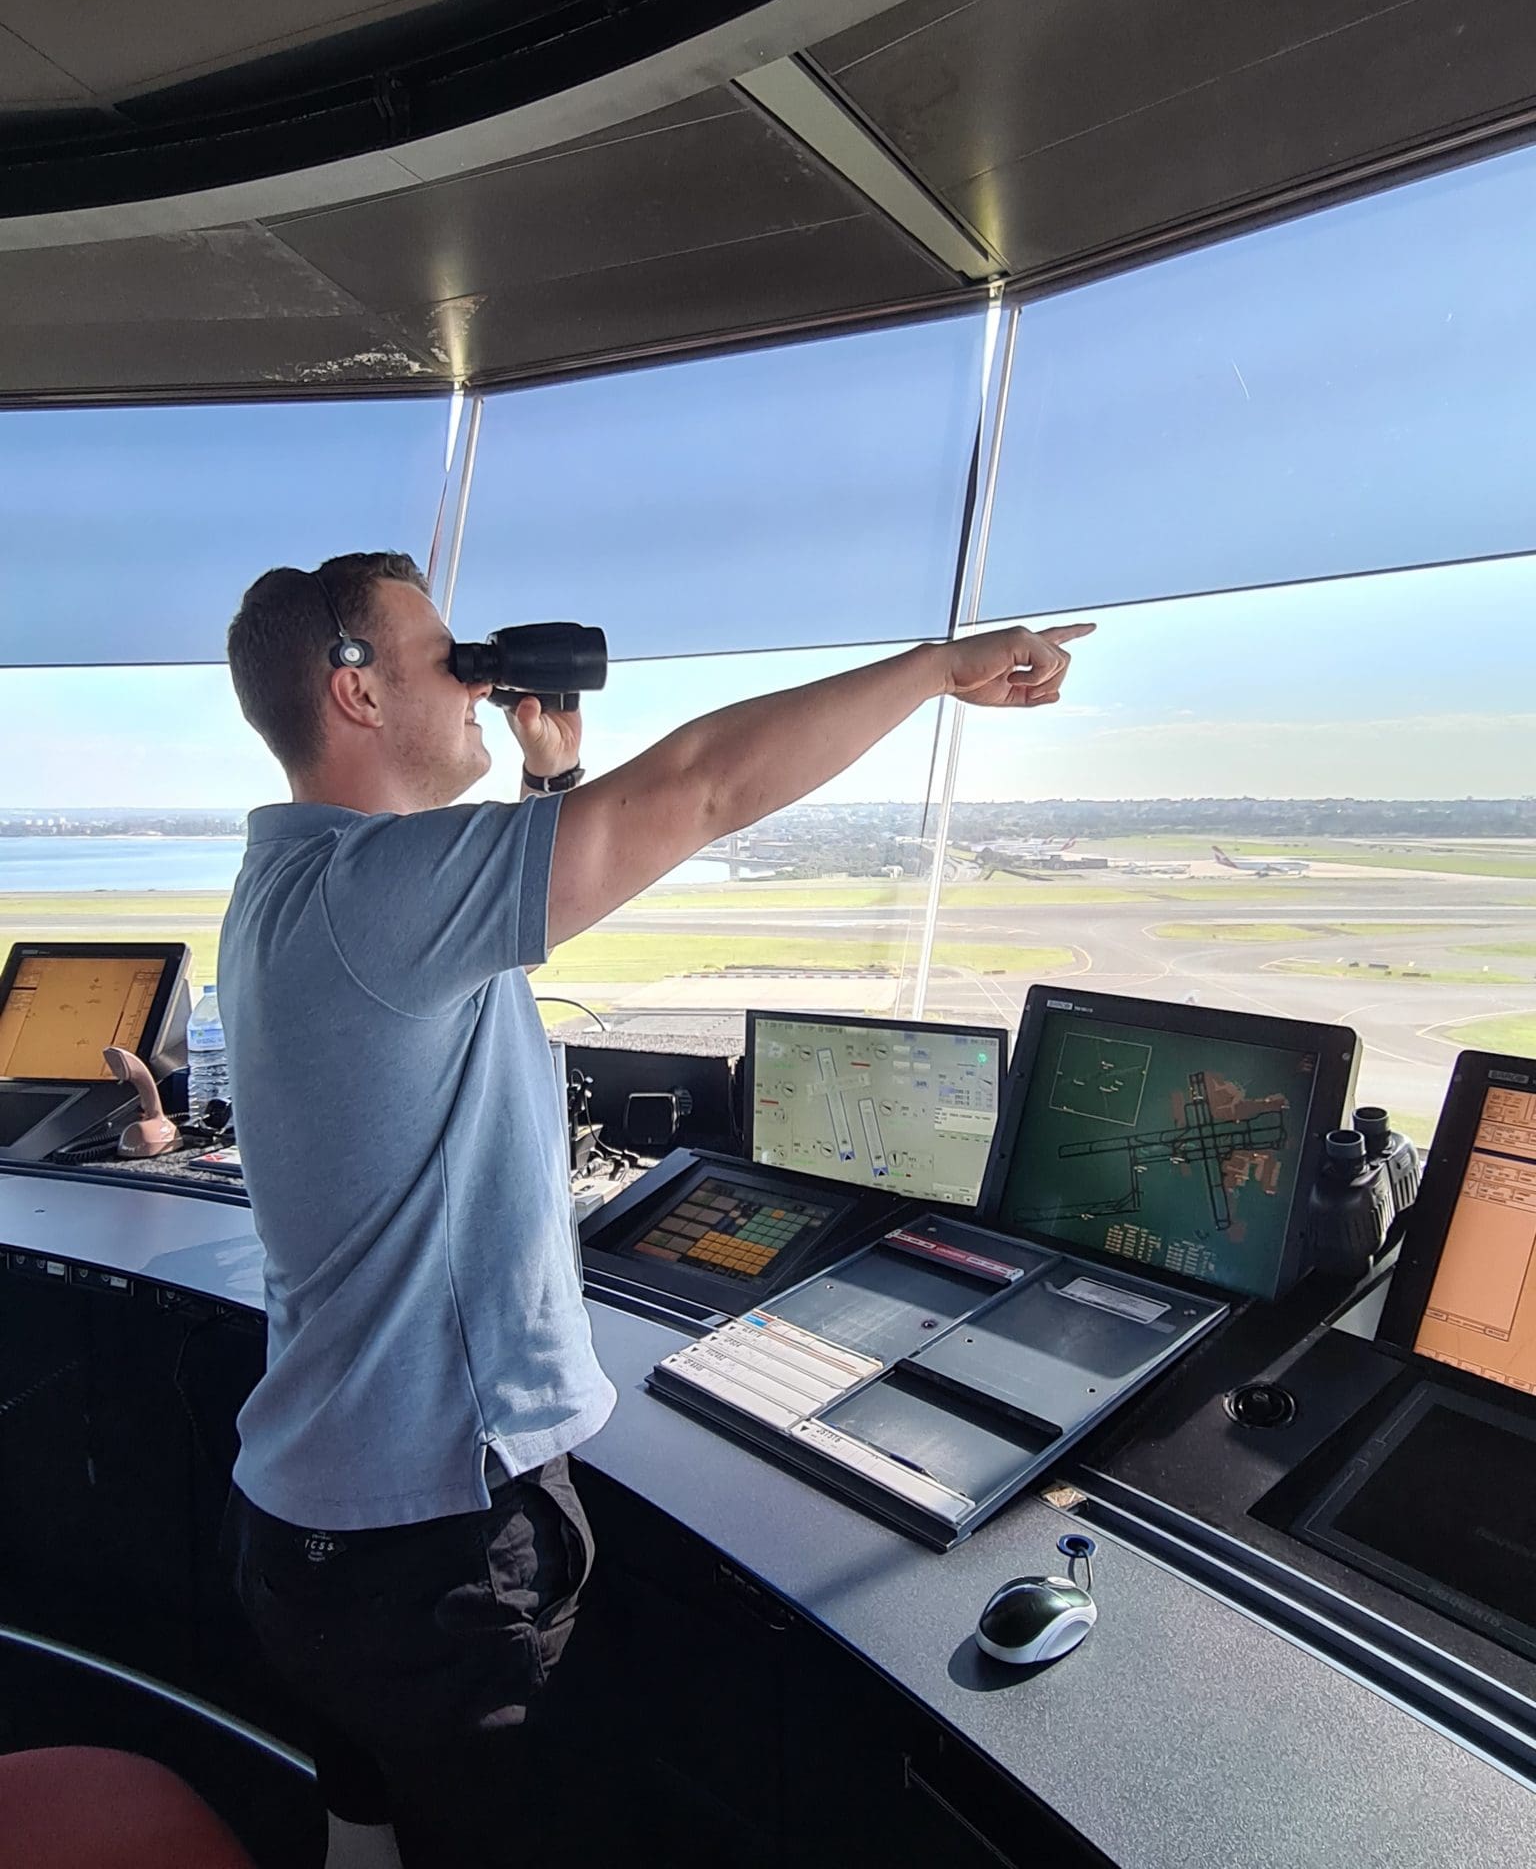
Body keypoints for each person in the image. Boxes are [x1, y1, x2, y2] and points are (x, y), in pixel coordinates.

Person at [217, 550, 1092, 1868]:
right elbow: (702, 787)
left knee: (371, 1836)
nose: (476, 679)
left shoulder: (311, 887)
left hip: (315, 1542)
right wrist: (935, 667)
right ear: (353, 692)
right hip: (437, 1553)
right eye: (444, 656)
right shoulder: (373, 895)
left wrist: (550, 785)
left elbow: (501, 929)